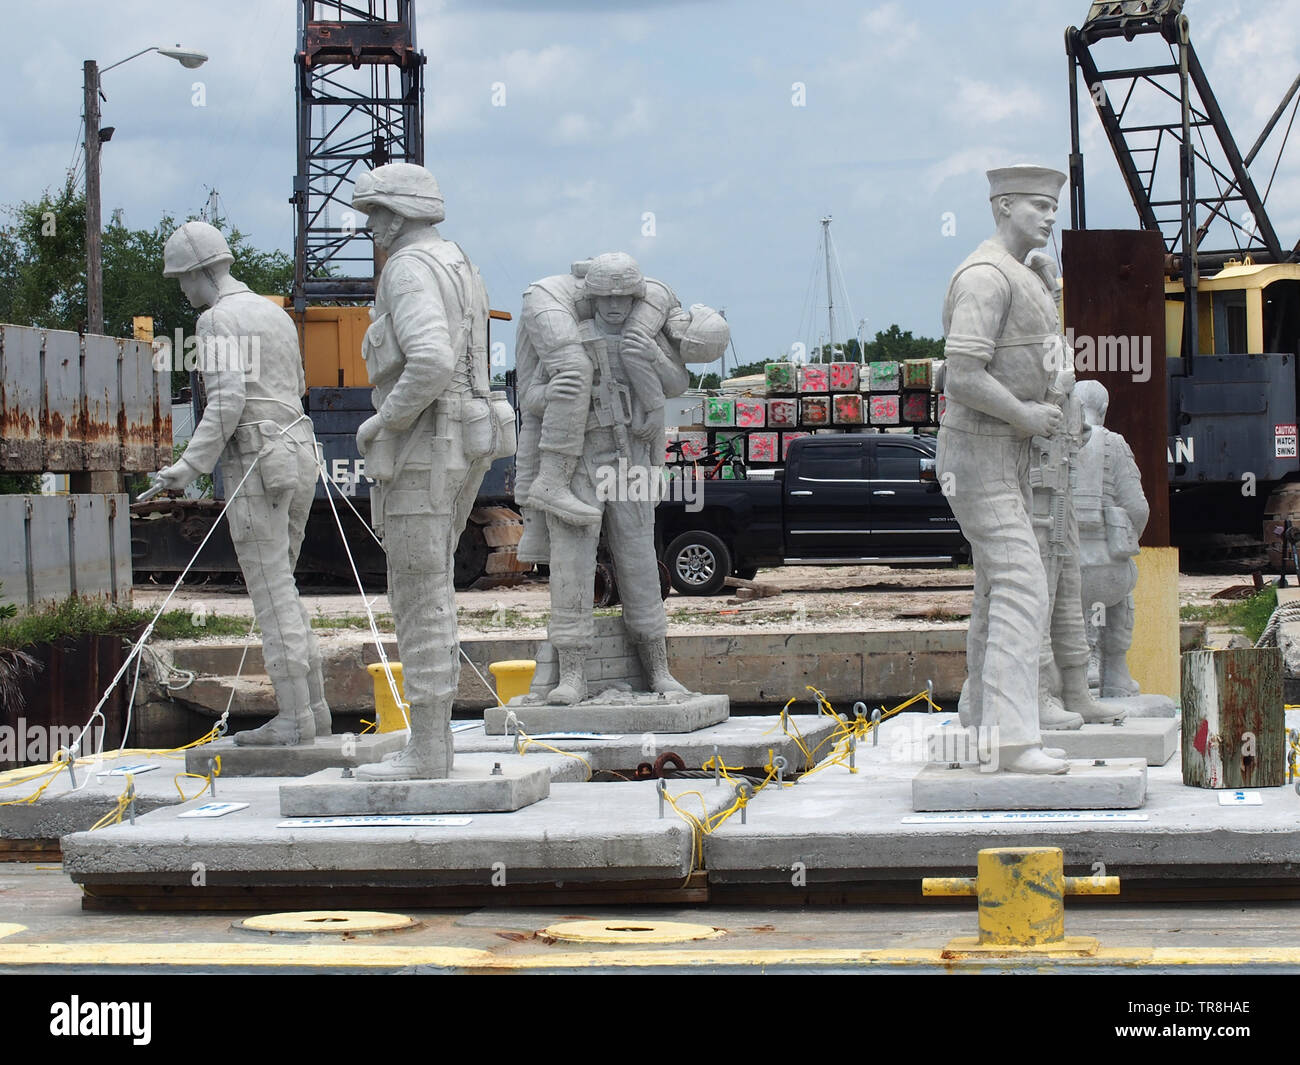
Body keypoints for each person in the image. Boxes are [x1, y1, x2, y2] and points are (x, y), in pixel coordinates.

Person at [348, 162, 506, 780]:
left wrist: (383, 421)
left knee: (417, 593)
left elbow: (432, 360)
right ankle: (432, 744)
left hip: (427, 444)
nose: (369, 227)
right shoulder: (457, 261)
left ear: (400, 214)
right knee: (432, 585)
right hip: (463, 439)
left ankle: (429, 750)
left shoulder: (409, 268)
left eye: (375, 214)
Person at [516, 252, 728, 704]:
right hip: (577, 461)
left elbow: (675, 382)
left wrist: (649, 354)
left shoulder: (645, 335)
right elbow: (530, 395)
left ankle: (658, 669)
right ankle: (572, 674)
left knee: (639, 562)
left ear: (635, 298)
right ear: (591, 298)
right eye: (605, 298)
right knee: (571, 566)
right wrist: (552, 392)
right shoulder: (570, 340)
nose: (614, 306)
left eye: (624, 298)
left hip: (630, 459)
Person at [153, 221, 330, 746]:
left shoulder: (215, 320)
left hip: (256, 461)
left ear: (200, 271)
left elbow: (227, 401)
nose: (183, 290)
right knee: (284, 587)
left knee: (272, 592)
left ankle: (295, 719)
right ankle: (314, 712)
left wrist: (188, 465)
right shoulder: (274, 314)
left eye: (182, 279)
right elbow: (298, 386)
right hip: (299, 455)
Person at [938, 164, 1074, 775]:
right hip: (980, 452)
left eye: (1052, 205)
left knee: (997, 586)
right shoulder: (985, 277)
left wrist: (1051, 289)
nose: (1049, 215)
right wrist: (1025, 414)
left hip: (1008, 451)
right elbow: (963, 377)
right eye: (1037, 205)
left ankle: (980, 723)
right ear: (1002, 206)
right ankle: (1013, 742)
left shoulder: (1022, 273)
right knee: (1023, 582)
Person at [1074, 379, 1149, 697]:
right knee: (1121, 588)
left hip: (1061, 568)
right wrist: (1127, 541)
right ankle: (1115, 674)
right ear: (1104, 409)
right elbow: (1137, 508)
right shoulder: (1114, 444)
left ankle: (1073, 677)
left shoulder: (1053, 442)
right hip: (1107, 568)